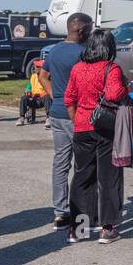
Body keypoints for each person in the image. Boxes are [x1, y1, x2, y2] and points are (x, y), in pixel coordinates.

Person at [64, 29, 128, 244]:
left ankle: (79, 229)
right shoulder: (112, 68)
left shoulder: (77, 68)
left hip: (82, 126)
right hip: (105, 127)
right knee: (109, 178)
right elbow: (112, 94)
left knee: (82, 177)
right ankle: (107, 228)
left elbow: (69, 98)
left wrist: (77, 120)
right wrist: (124, 89)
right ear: (108, 47)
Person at [38, 13, 92, 230]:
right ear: (81, 30)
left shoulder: (55, 50)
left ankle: (60, 212)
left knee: (61, 162)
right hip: (77, 113)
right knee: (83, 164)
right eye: (89, 29)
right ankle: (82, 212)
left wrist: (55, 95)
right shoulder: (84, 53)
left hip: (58, 112)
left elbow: (42, 76)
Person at [16, 61, 50, 126]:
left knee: (47, 96)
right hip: (34, 98)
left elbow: (49, 89)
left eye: (38, 67)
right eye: (35, 67)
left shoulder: (47, 76)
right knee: (24, 97)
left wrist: (41, 94)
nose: (35, 68)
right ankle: (21, 117)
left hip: (43, 99)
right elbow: (29, 86)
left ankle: (48, 118)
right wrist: (28, 91)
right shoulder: (33, 76)